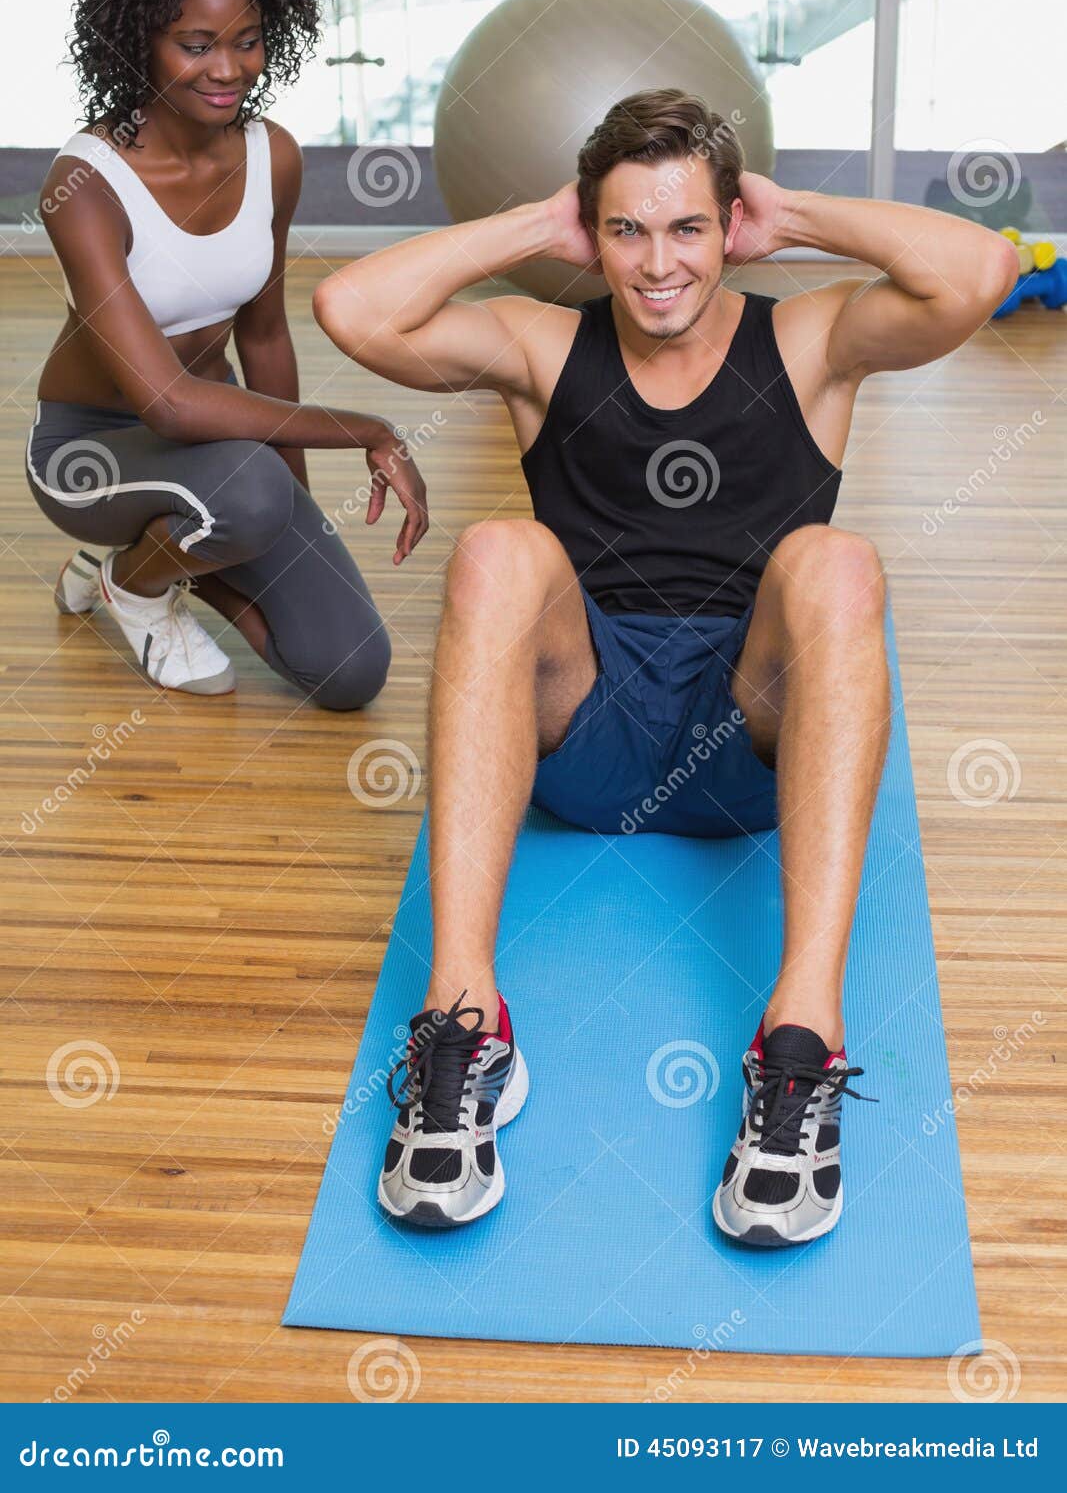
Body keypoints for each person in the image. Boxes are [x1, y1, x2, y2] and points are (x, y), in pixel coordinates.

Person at [314, 88, 1017, 1243]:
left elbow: (979, 272)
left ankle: (797, 1042)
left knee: (833, 565)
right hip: (583, 730)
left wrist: (799, 216)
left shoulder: (806, 339)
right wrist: (538, 229)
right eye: (625, 230)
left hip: (749, 740)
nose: (654, 263)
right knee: (498, 549)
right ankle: (463, 1020)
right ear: (592, 233)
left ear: (729, 224)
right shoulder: (546, 344)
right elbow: (353, 306)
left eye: (685, 227)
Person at [26, 0, 426, 703]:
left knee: (349, 671)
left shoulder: (271, 153)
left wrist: (298, 514)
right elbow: (169, 407)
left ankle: (143, 558)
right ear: (138, 40)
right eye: (196, 45)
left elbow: (266, 337)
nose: (228, 70)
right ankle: (138, 584)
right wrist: (368, 430)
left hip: (222, 451)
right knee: (247, 492)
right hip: (92, 451)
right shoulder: (84, 186)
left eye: (247, 42)